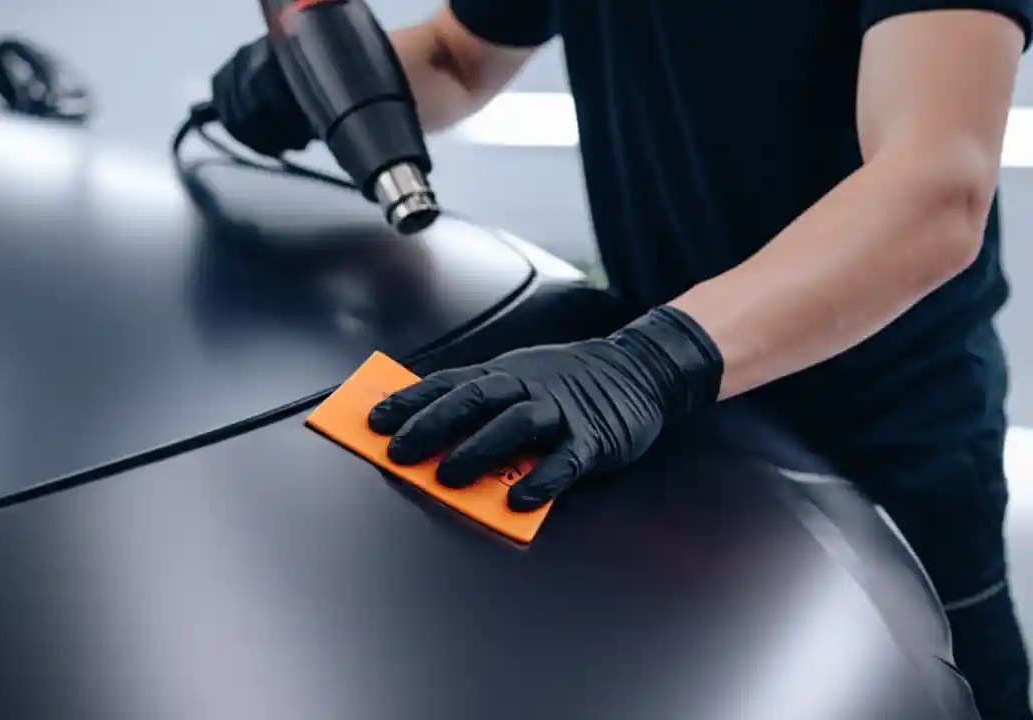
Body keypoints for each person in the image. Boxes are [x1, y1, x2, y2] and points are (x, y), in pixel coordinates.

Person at [212, 1, 1032, 716]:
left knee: (929, 692)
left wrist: (650, 363)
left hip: (882, 437)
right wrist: (326, 87)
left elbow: (932, 188)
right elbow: (458, 60)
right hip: (679, 418)